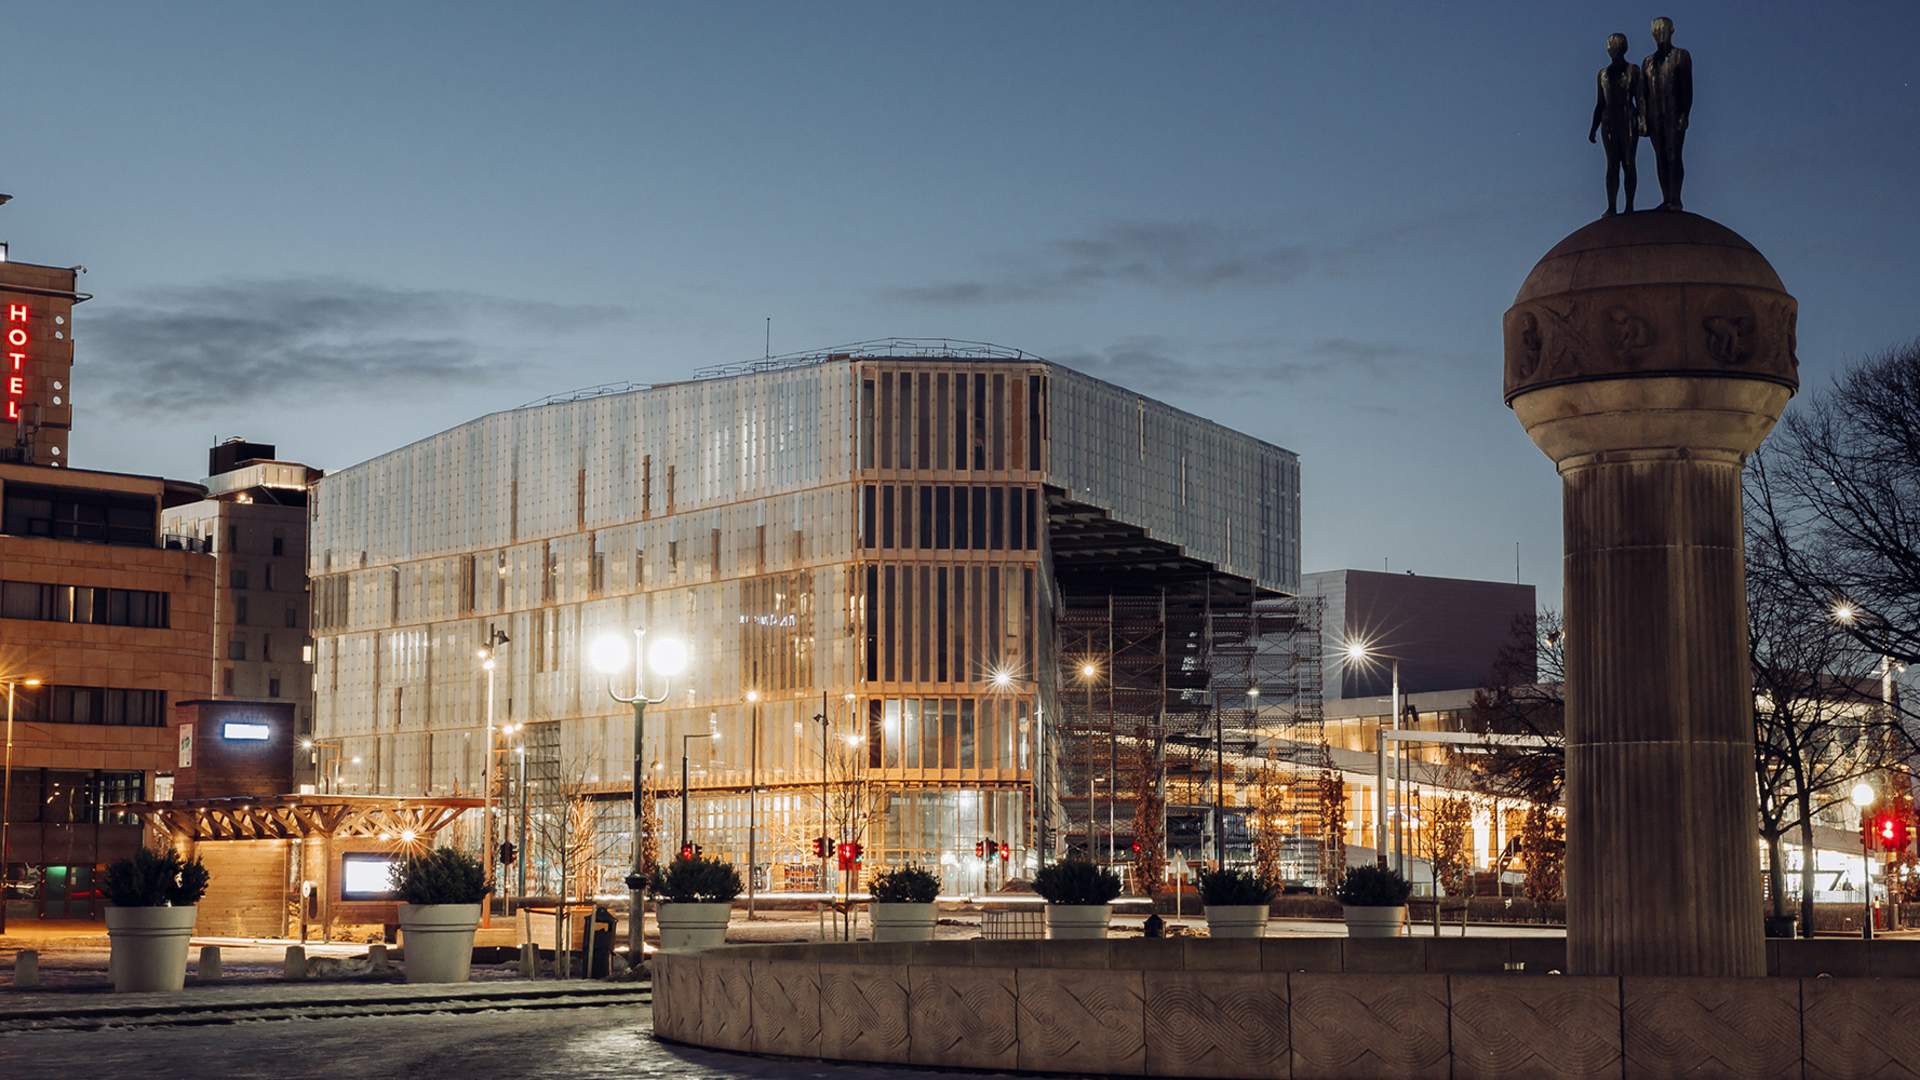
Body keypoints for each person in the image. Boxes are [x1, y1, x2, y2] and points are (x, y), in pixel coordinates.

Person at [1587, 33, 1645, 216]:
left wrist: (1643, 121)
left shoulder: (1633, 70)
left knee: (1628, 163)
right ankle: (1612, 206)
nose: (1611, 49)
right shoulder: (1602, 74)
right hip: (1608, 121)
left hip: (1628, 119)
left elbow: (1640, 98)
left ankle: (1629, 206)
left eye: (1613, 45)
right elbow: (1600, 102)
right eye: (1610, 46)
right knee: (1612, 164)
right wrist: (1593, 127)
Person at [1641, 16, 1693, 210]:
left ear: (1671, 31)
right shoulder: (1648, 62)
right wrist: (1643, 118)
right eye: (1656, 31)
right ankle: (1666, 198)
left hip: (1674, 113)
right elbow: (1643, 94)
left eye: (1663, 30)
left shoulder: (1681, 56)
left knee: (1674, 154)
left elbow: (1687, 88)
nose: (1659, 34)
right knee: (1660, 156)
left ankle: (1675, 198)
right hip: (1655, 116)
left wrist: (1684, 114)